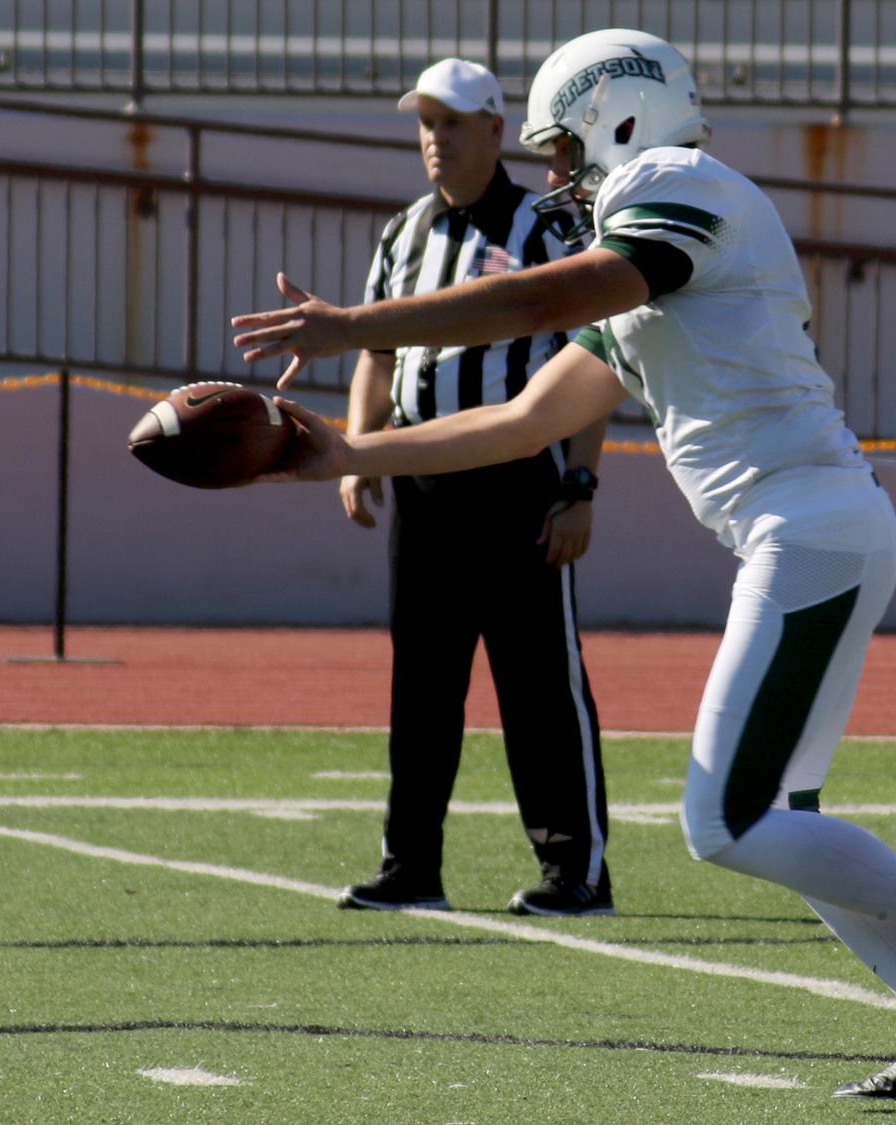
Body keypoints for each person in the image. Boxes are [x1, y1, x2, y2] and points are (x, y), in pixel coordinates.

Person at [230, 28, 896, 1101]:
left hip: (809, 529)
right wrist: (348, 451)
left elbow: (532, 304)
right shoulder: (646, 270)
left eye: (564, 147)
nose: (557, 174)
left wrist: (352, 325)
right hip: (802, 532)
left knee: (725, 825)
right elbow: (521, 422)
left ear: (622, 114)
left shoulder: (681, 184)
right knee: (779, 820)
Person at [332, 57, 616, 919]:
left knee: (538, 684)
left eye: (453, 123)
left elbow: (597, 353)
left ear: (497, 131)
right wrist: (357, 450)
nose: (435, 139)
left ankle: (577, 871)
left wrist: (579, 483)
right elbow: (376, 353)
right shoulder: (402, 231)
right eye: (425, 122)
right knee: (422, 682)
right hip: (422, 485)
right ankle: (411, 863)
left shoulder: (545, 227)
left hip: (517, 484)